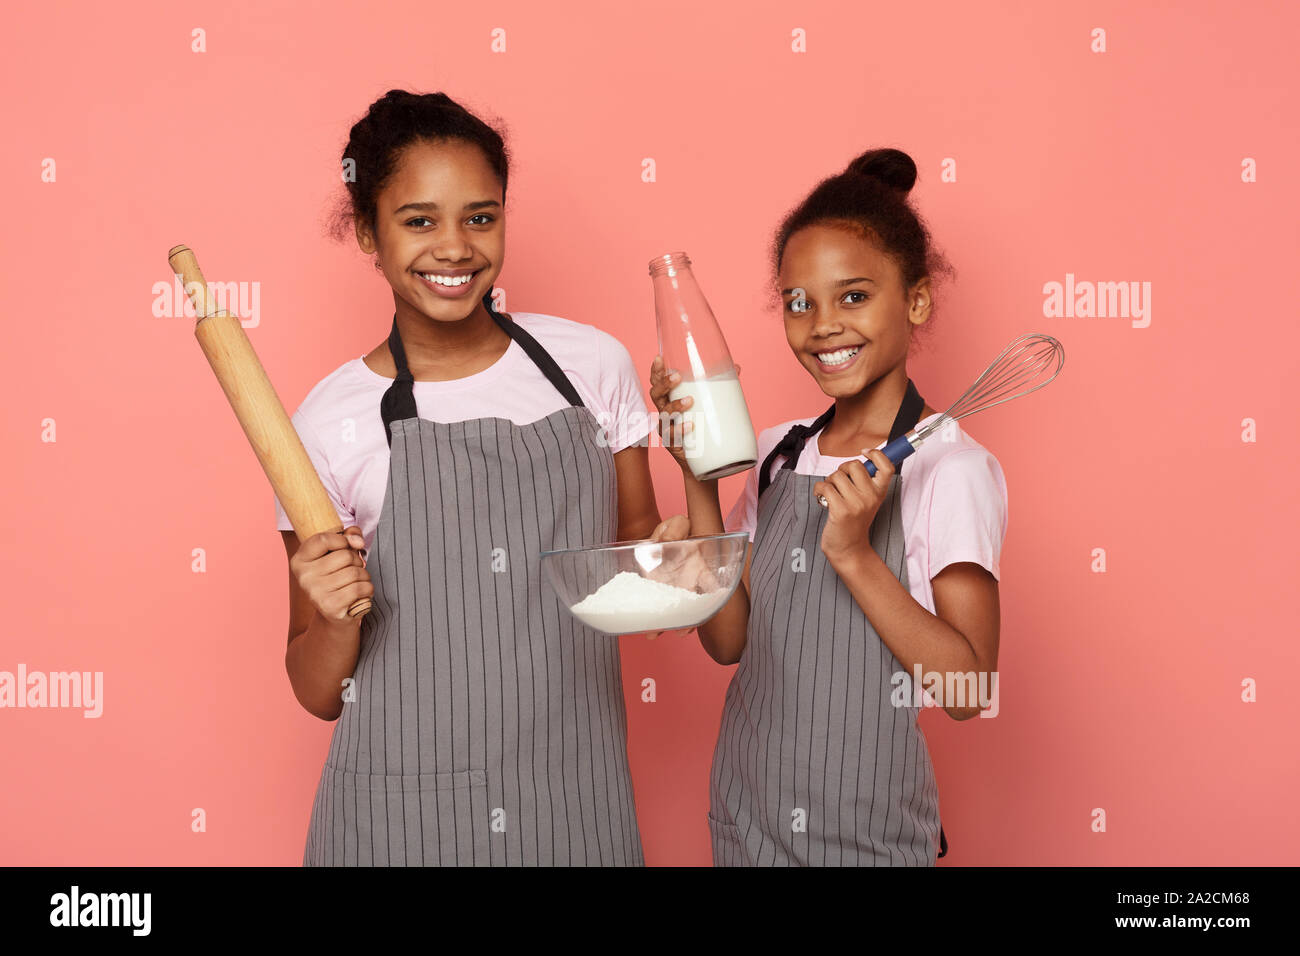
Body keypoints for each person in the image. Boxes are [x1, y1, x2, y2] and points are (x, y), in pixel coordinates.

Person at [275, 89, 676, 866]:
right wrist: (331, 618)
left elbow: (639, 569)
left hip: (576, 798)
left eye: (481, 217)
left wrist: (685, 539)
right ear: (368, 231)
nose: (454, 247)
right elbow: (318, 690)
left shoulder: (593, 366)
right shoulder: (328, 421)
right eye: (418, 220)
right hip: (398, 816)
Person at [649, 147, 1008, 865]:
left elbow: (969, 690)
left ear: (915, 300)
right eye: (798, 302)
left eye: (853, 296)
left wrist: (851, 551)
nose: (821, 326)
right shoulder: (780, 454)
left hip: (866, 837)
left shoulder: (951, 468)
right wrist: (697, 480)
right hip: (746, 821)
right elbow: (728, 645)